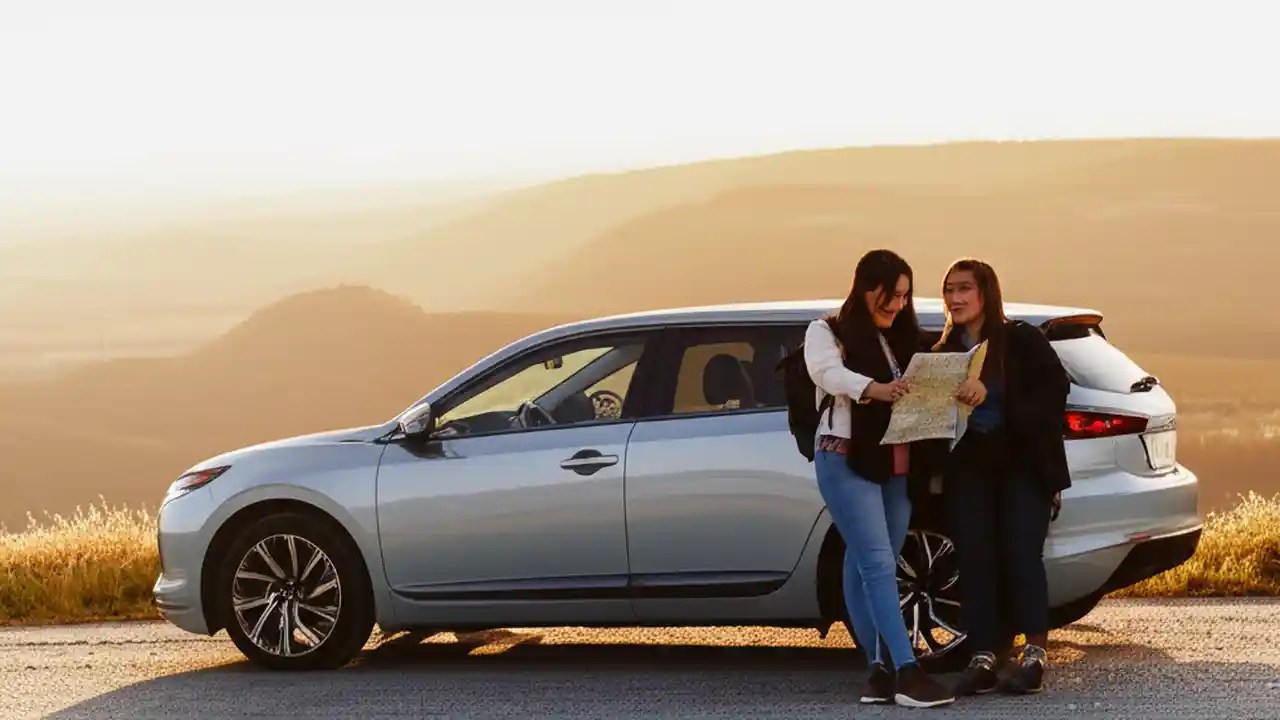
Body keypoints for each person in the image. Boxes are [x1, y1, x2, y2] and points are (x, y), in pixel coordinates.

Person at [804, 249, 955, 709]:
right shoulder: (826, 331)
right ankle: (907, 672)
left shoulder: (907, 338)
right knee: (876, 562)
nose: (896, 306)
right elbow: (826, 373)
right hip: (845, 458)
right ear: (866, 288)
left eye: (905, 298)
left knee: (864, 561)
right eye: (890, 296)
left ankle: (877, 671)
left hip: (896, 461)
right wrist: (874, 390)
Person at [931, 258, 1071, 696]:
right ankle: (984, 656)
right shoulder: (942, 355)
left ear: (985, 293)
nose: (955, 298)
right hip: (970, 467)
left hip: (1023, 465)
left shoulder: (1021, 340)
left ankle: (1033, 655)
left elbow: (1055, 392)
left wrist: (993, 394)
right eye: (949, 289)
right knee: (975, 557)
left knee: (1021, 555)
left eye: (964, 289)